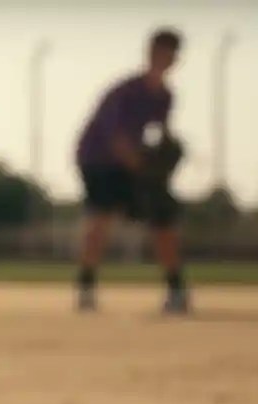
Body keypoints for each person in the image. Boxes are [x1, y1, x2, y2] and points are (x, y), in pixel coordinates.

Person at [75, 29, 189, 314]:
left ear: (175, 59)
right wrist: (143, 169)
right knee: (101, 216)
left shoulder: (165, 96)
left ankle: (176, 290)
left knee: (163, 218)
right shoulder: (126, 92)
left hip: (134, 161)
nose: (163, 58)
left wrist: (163, 162)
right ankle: (86, 287)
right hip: (97, 159)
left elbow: (158, 135)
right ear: (149, 53)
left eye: (170, 53)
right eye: (159, 51)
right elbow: (115, 139)